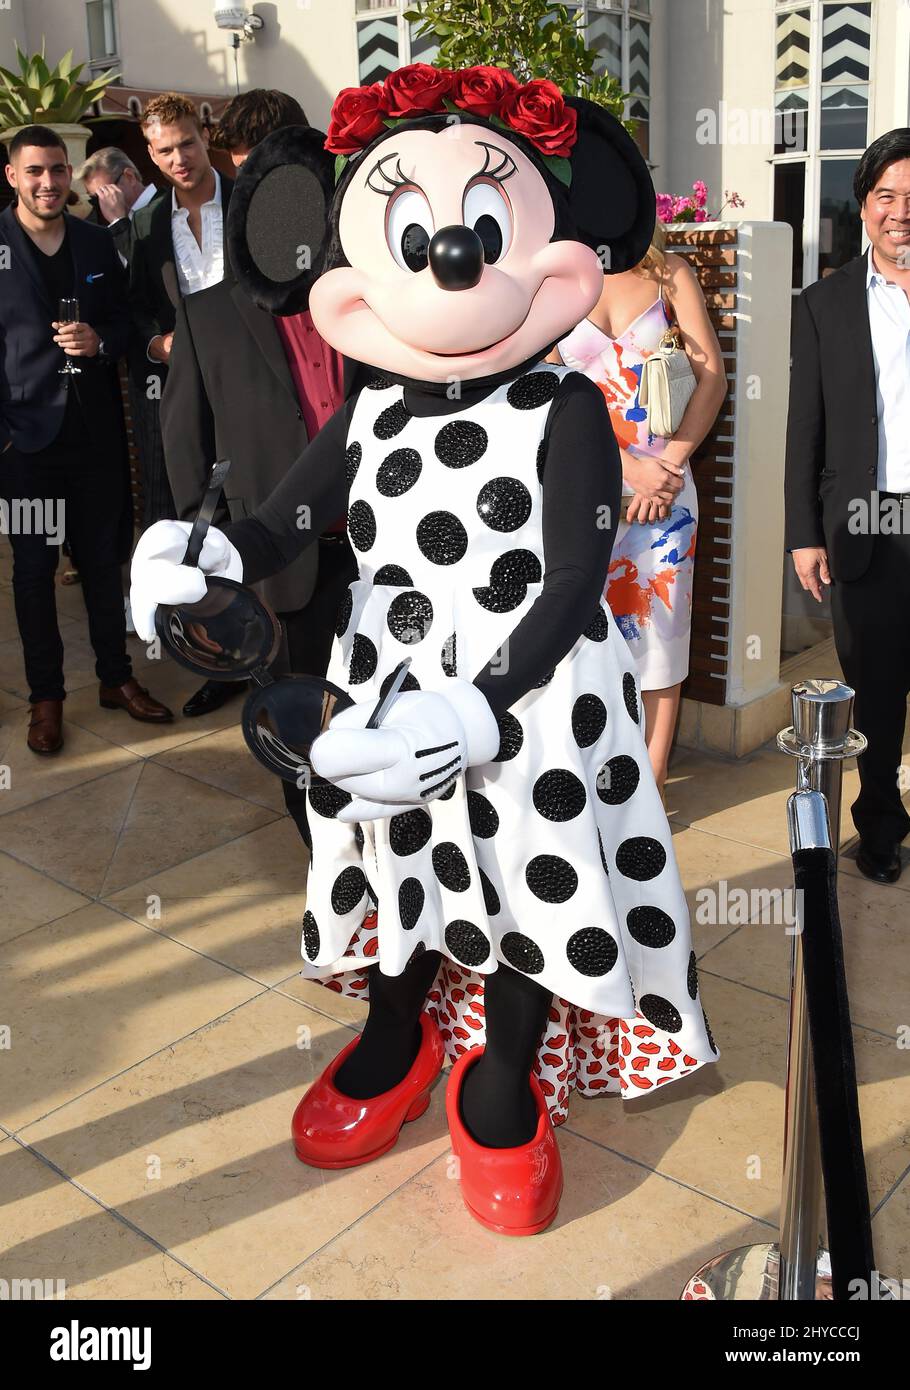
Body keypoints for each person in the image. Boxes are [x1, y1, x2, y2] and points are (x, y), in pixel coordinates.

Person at [131, 66, 718, 1237]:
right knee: (399, 854)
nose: (451, 262)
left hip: (532, 692)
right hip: (387, 680)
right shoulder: (370, 411)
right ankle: (396, 1035)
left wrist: (484, 705)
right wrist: (204, 558)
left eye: (481, 230)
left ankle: (503, 1071)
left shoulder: (562, 410)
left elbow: (566, 583)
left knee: (519, 868)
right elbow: (282, 520)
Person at [160, 88, 358, 847]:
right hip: (282, 561)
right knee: (300, 723)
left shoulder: (375, 300)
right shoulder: (205, 312)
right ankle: (330, 869)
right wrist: (203, 567)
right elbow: (185, 446)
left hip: (388, 547)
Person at [0, 126, 172, 757]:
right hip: (26, 452)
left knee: (104, 564)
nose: (48, 183)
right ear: (13, 176)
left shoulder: (97, 242)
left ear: (70, 173)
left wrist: (102, 341)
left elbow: (126, 320)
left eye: (57, 170)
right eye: (35, 172)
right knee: (34, 572)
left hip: (96, 436)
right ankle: (46, 699)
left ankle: (115, 678)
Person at [552, 219, 727, 794]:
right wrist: (631, 471)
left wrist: (668, 468)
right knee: (577, 634)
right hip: (585, 488)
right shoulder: (552, 281)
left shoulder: (669, 272)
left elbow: (711, 379)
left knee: (661, 635)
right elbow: (545, 392)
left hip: (668, 493)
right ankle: (587, 779)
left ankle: (650, 784)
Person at [786, 127, 910, 885]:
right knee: (878, 686)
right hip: (866, 524)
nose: (902, 211)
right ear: (863, 207)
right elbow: (806, 423)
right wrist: (804, 531)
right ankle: (881, 824)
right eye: (887, 196)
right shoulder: (825, 303)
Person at [130, 91, 238, 716]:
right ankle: (223, 659)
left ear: (206, 138)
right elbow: (135, 306)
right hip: (188, 395)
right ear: (151, 153)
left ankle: (277, 651)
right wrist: (156, 340)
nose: (180, 159)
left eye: (188, 144)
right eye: (165, 150)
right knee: (198, 522)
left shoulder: (247, 201)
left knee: (258, 511)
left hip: (254, 394)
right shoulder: (148, 227)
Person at [76, 146, 157, 266]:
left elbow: (148, 266)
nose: (102, 202)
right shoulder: (114, 221)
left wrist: (118, 222)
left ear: (130, 177)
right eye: (94, 198)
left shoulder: (165, 207)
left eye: (105, 192)